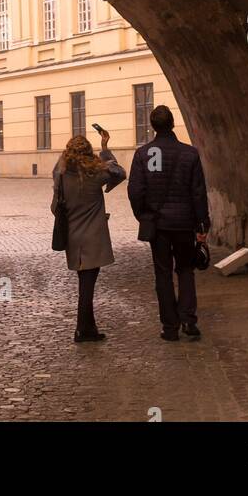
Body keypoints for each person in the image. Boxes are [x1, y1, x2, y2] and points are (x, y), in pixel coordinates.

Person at [127, 104, 210, 342]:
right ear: (172, 124)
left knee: (162, 274)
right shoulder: (190, 153)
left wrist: (143, 215)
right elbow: (198, 193)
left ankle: (170, 326)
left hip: (158, 224)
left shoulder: (143, 154)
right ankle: (189, 320)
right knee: (186, 271)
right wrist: (202, 224)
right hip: (184, 223)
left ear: (153, 126)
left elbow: (135, 191)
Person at [52, 131, 125, 342]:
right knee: (87, 284)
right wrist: (103, 150)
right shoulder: (97, 174)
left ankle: (89, 328)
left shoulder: (62, 176)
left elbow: (54, 207)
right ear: (88, 153)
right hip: (93, 236)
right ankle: (82, 330)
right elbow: (119, 172)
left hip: (73, 237)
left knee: (85, 282)